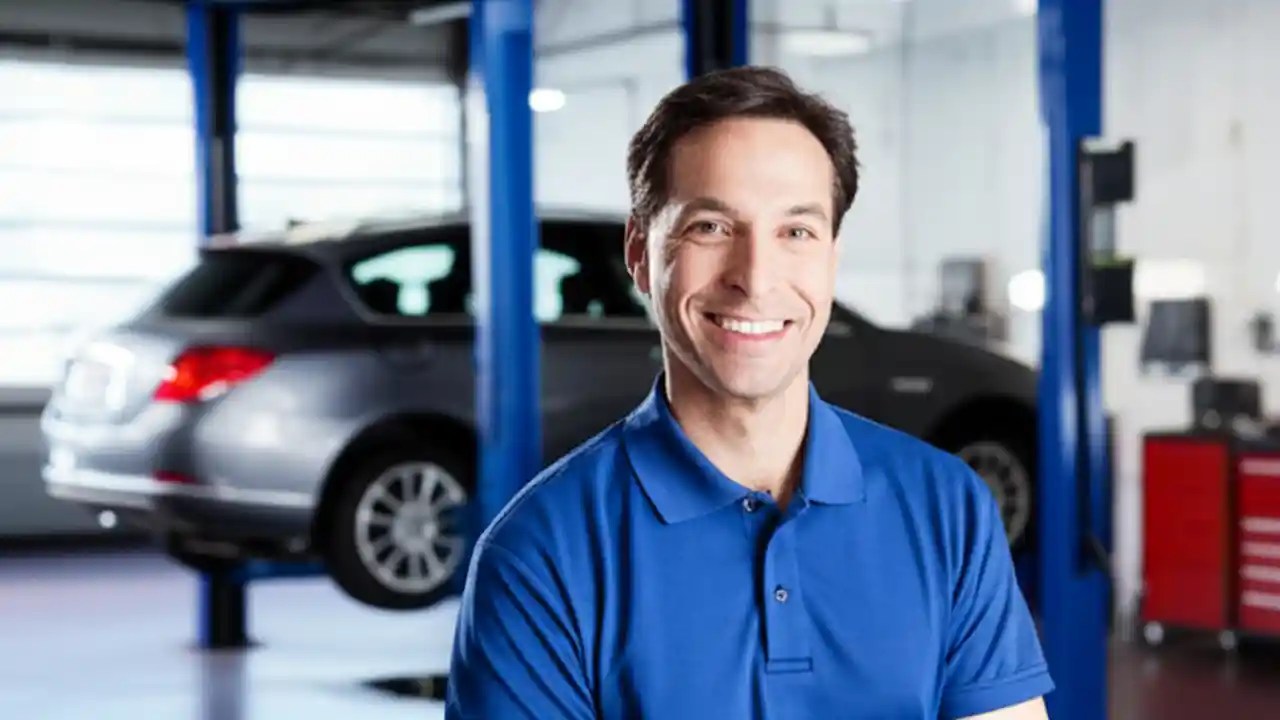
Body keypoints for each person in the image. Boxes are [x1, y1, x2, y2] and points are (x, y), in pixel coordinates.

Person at [446, 66, 1053, 719]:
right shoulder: (542, 552)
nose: (755, 278)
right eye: (711, 226)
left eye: (796, 232)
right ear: (640, 252)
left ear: (830, 258)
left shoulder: (946, 509)